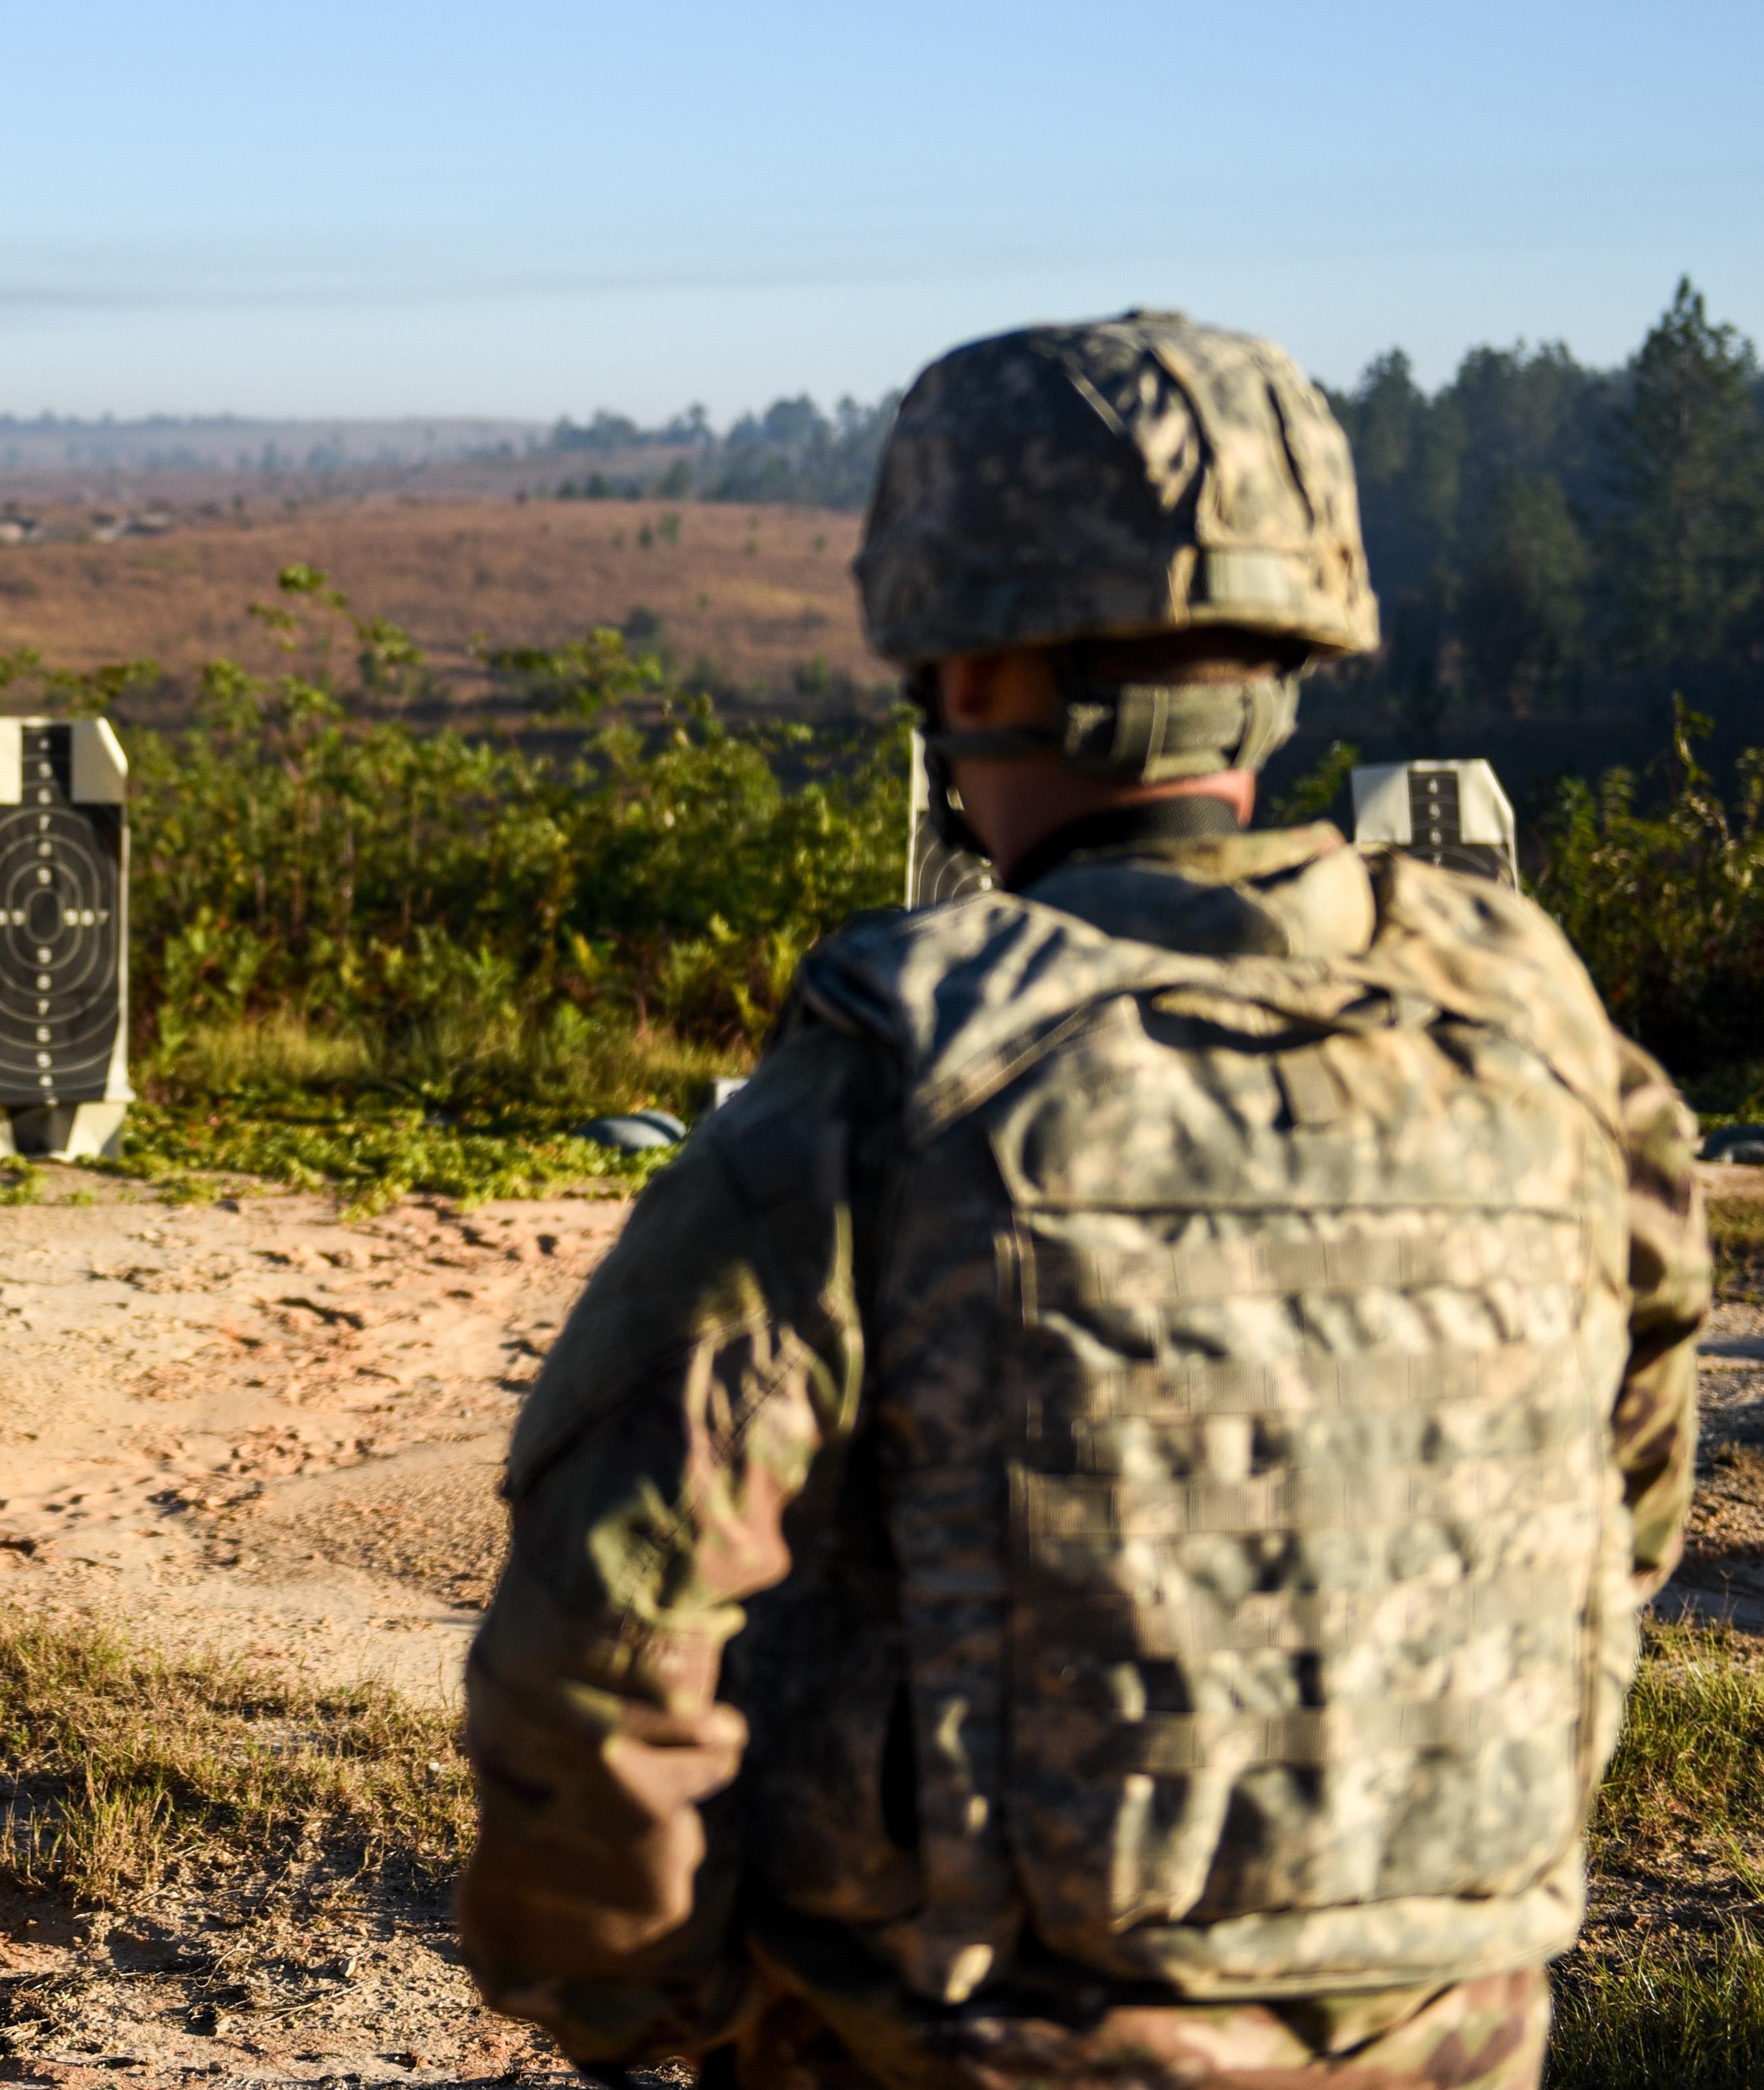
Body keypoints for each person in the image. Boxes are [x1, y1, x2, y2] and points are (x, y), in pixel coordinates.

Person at [457, 313, 1710, 2090]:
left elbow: (603, 1648)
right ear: (1286, 654)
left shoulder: (889, 1084)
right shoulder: (1558, 1046)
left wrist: (658, 2007)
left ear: (966, 672)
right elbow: (1624, 1521)